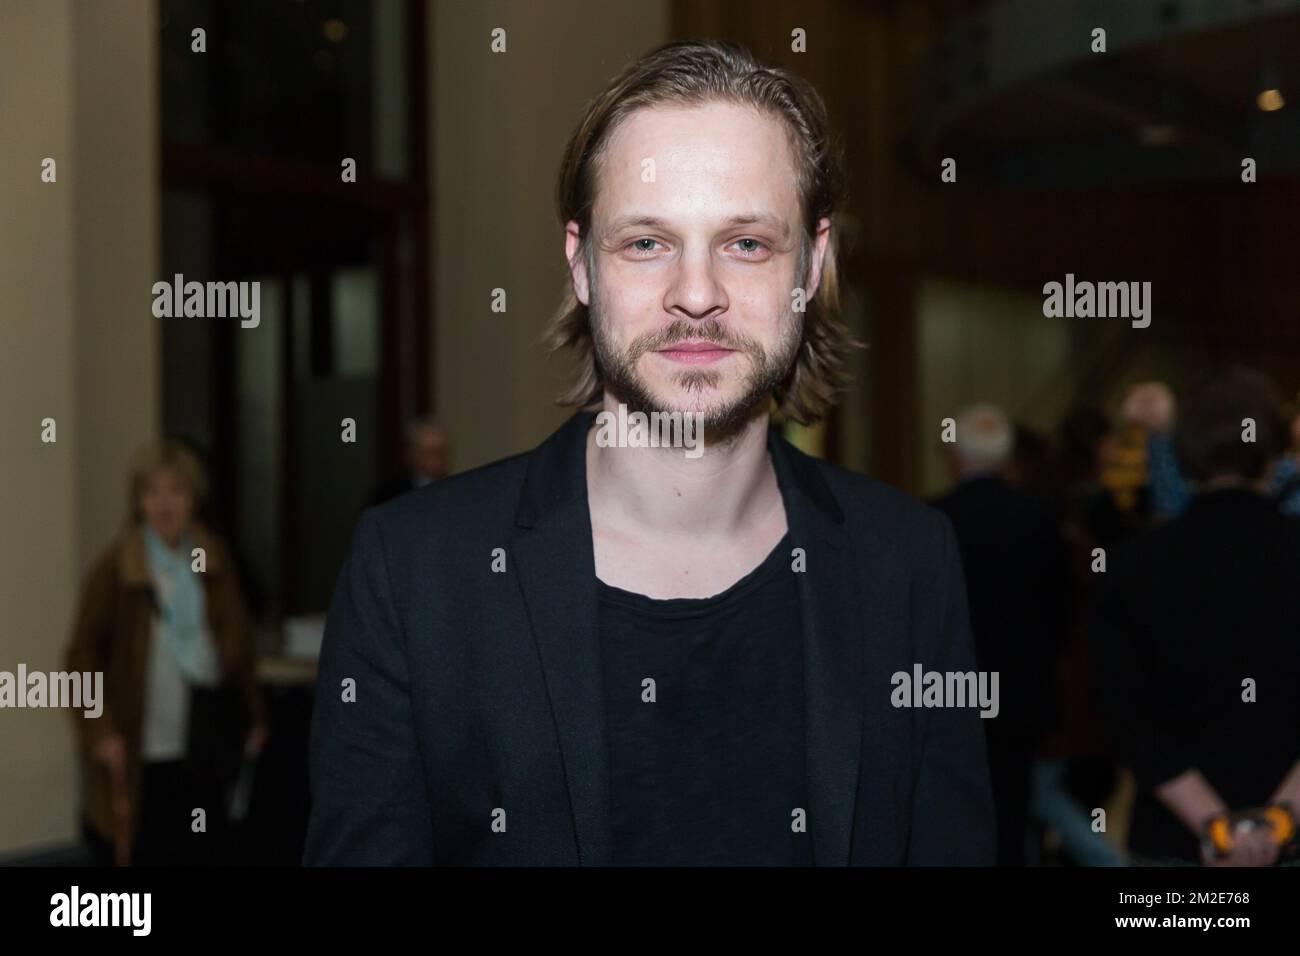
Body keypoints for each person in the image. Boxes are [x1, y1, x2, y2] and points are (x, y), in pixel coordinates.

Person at [305, 40, 993, 866]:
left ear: (812, 265)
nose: (695, 294)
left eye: (745, 243)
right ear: (583, 265)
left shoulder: (908, 561)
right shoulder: (413, 571)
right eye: (646, 243)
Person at [1091, 369, 1300, 865]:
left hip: (1172, 841)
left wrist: (1217, 824)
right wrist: (1280, 819)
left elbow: (1127, 717)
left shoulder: (1130, 565)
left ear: (1182, 459)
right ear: (1273, 459)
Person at [66, 441, 267, 866]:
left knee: (204, 848)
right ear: (138, 502)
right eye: (152, 492)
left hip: (205, 744)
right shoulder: (118, 566)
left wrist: (254, 715)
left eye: (175, 491)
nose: (164, 504)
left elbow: (239, 643)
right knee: (147, 850)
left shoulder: (212, 560)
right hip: (142, 748)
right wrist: (99, 731)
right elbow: (81, 655)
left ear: (192, 498)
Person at [932, 405, 1070, 865]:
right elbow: (1061, 610)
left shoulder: (930, 519)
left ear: (954, 457)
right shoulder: (1042, 518)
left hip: (946, 692)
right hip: (1021, 692)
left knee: (950, 807)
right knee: (1013, 809)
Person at [367, 416, 452, 507]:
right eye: (430, 452)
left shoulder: (454, 489)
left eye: (441, 451)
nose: (437, 459)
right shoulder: (390, 494)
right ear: (413, 454)